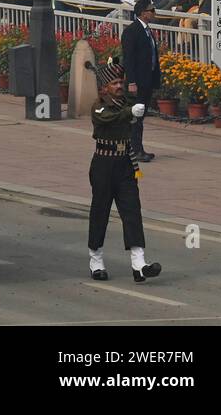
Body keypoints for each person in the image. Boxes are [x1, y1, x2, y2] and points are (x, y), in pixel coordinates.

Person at [87, 60, 161, 283]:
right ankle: (96, 259)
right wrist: (130, 111)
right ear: (103, 88)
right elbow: (108, 118)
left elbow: (135, 102)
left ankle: (139, 264)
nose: (119, 85)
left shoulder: (125, 102)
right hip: (103, 164)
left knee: (132, 212)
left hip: (125, 164)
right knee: (100, 211)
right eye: (114, 82)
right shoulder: (99, 107)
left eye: (120, 81)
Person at [121, 0, 161, 163]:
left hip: (147, 79)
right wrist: (131, 81)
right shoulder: (132, 31)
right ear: (143, 13)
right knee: (136, 117)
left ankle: (138, 148)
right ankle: (135, 150)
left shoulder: (147, 30)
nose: (153, 13)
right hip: (137, 81)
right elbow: (128, 59)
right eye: (151, 10)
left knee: (141, 117)